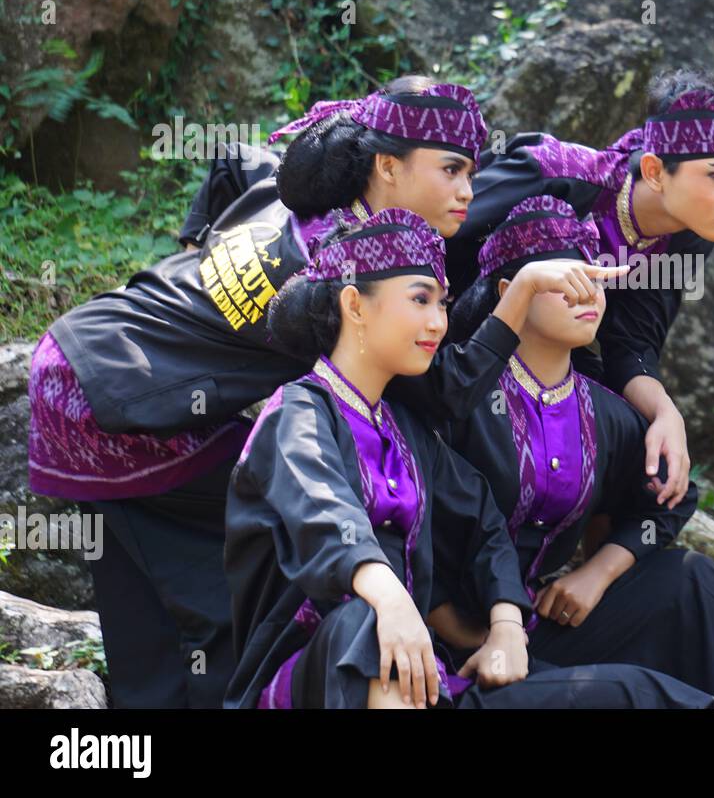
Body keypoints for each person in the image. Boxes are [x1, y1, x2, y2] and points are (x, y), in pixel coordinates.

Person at [26, 76, 593, 707]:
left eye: (474, 173)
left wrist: (196, 252)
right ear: (386, 165)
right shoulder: (344, 262)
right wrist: (517, 297)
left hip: (88, 353)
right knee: (247, 553)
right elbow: (444, 392)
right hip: (110, 398)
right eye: (453, 170)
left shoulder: (307, 194)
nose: (468, 192)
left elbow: (234, 161)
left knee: (154, 576)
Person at [226, 207, 714, 709]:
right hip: (315, 677)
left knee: (636, 695)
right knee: (366, 623)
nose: (438, 322)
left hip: (426, 674)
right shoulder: (297, 413)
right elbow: (324, 515)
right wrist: (391, 600)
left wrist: (505, 626)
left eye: (443, 303)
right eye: (420, 300)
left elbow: (483, 525)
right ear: (355, 304)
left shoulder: (407, 429)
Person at [436, 197, 714, 708]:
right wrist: (477, 633)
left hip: (535, 629)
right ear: (511, 293)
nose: (587, 294)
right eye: (567, 283)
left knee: (689, 579)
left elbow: (670, 498)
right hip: (449, 652)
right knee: (639, 695)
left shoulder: (603, 413)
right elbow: (408, 536)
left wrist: (599, 572)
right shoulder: (460, 399)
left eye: (594, 279)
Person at [445, 67, 714, 519]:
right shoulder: (553, 174)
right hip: (446, 346)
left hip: (542, 367)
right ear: (654, 170)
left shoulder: (693, 233)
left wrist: (666, 412)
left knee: (649, 452)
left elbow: (631, 345)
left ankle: (588, 563)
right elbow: (431, 237)